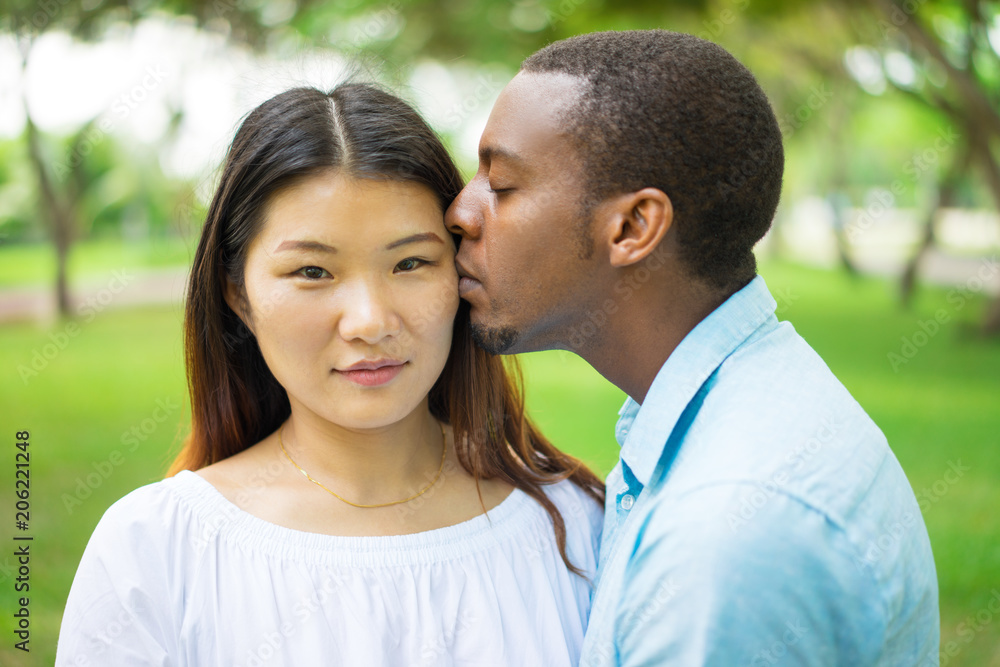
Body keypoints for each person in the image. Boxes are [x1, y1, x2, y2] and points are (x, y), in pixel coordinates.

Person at [55, 83, 604, 666]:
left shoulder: (575, 526)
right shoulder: (155, 552)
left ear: (460, 274)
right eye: (313, 270)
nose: (369, 322)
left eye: (411, 262)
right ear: (238, 294)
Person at [446, 30, 939, 665]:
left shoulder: (721, 537)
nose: (461, 210)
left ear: (631, 227)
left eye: (503, 184)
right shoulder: (749, 401)